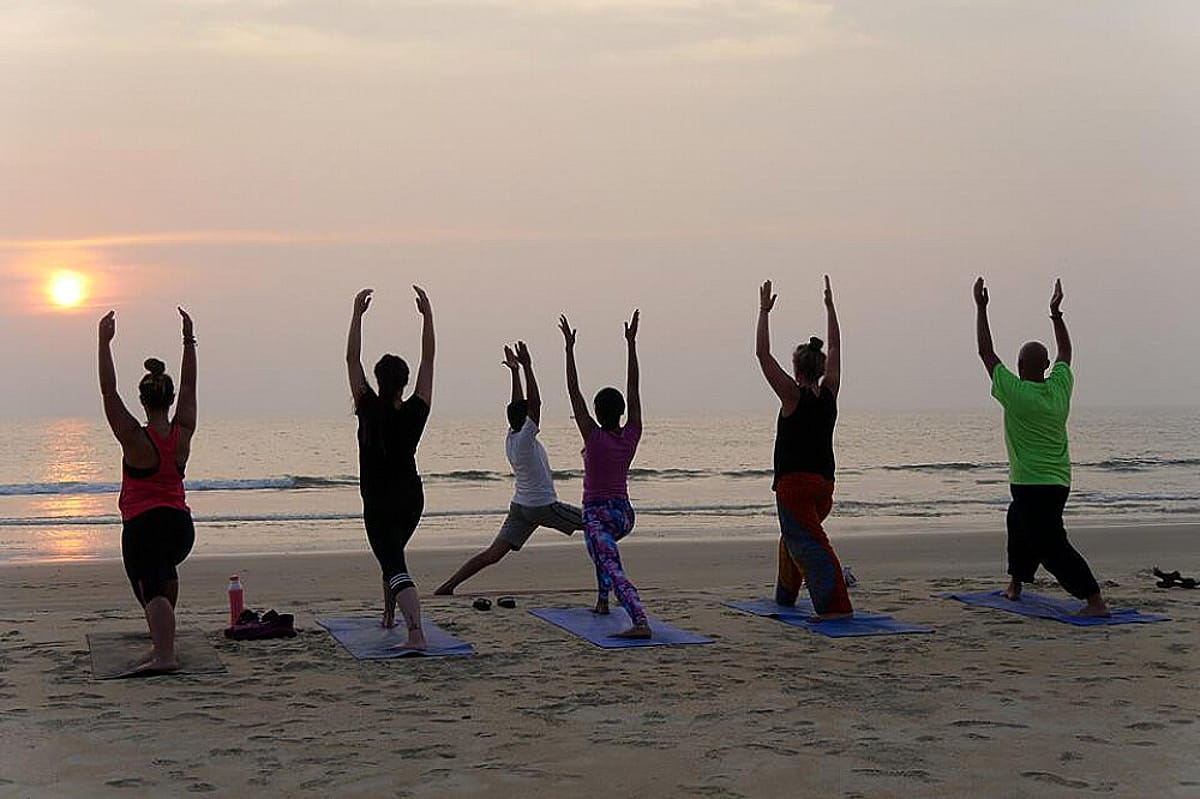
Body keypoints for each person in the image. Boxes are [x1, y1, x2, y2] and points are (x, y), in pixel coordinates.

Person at [973, 277, 1110, 617]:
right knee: (1016, 521)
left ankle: (1094, 600)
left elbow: (986, 352)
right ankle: (1016, 583)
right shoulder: (1060, 388)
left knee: (1051, 547)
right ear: (1046, 367)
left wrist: (981, 308)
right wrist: (1056, 314)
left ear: (1020, 368)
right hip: (1058, 482)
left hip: (1031, 483)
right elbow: (1066, 352)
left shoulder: (1015, 393)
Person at [435, 342, 583, 596]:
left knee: (492, 555)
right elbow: (535, 403)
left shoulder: (512, 435)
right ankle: (611, 579)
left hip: (521, 508)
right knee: (595, 522)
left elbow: (519, 404)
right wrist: (528, 367)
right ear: (525, 420)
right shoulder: (526, 437)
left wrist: (514, 372)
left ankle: (448, 587)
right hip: (542, 506)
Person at [98, 307, 198, 673]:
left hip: (146, 526)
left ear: (142, 400)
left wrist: (103, 343)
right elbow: (190, 386)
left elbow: (109, 393)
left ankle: (166, 656)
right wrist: (189, 340)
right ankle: (162, 646)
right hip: (181, 528)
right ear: (169, 399)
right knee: (164, 575)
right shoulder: (182, 431)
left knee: (151, 587)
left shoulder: (136, 440)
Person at [756, 277, 853, 621]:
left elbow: (762, 355)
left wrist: (763, 311)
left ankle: (836, 607)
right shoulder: (829, 393)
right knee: (793, 539)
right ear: (822, 368)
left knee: (811, 546)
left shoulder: (792, 397)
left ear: (796, 369)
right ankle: (785, 596)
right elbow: (838, 348)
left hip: (795, 488)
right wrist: (830, 307)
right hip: (824, 488)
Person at [346, 286, 435, 648]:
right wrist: (428, 317)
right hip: (412, 498)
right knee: (392, 554)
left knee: (394, 563)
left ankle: (416, 633)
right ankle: (388, 615)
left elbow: (352, 360)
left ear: (378, 380)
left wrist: (356, 314)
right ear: (405, 382)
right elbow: (429, 360)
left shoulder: (367, 408)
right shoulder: (416, 410)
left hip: (380, 503)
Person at [559, 310, 651, 639]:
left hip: (598, 513)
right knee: (598, 544)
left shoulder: (593, 437)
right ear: (621, 412)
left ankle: (639, 620)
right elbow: (634, 388)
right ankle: (601, 601)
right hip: (624, 514)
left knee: (608, 558)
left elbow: (573, 391)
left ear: (596, 414)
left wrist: (569, 349)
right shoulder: (630, 435)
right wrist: (631, 345)